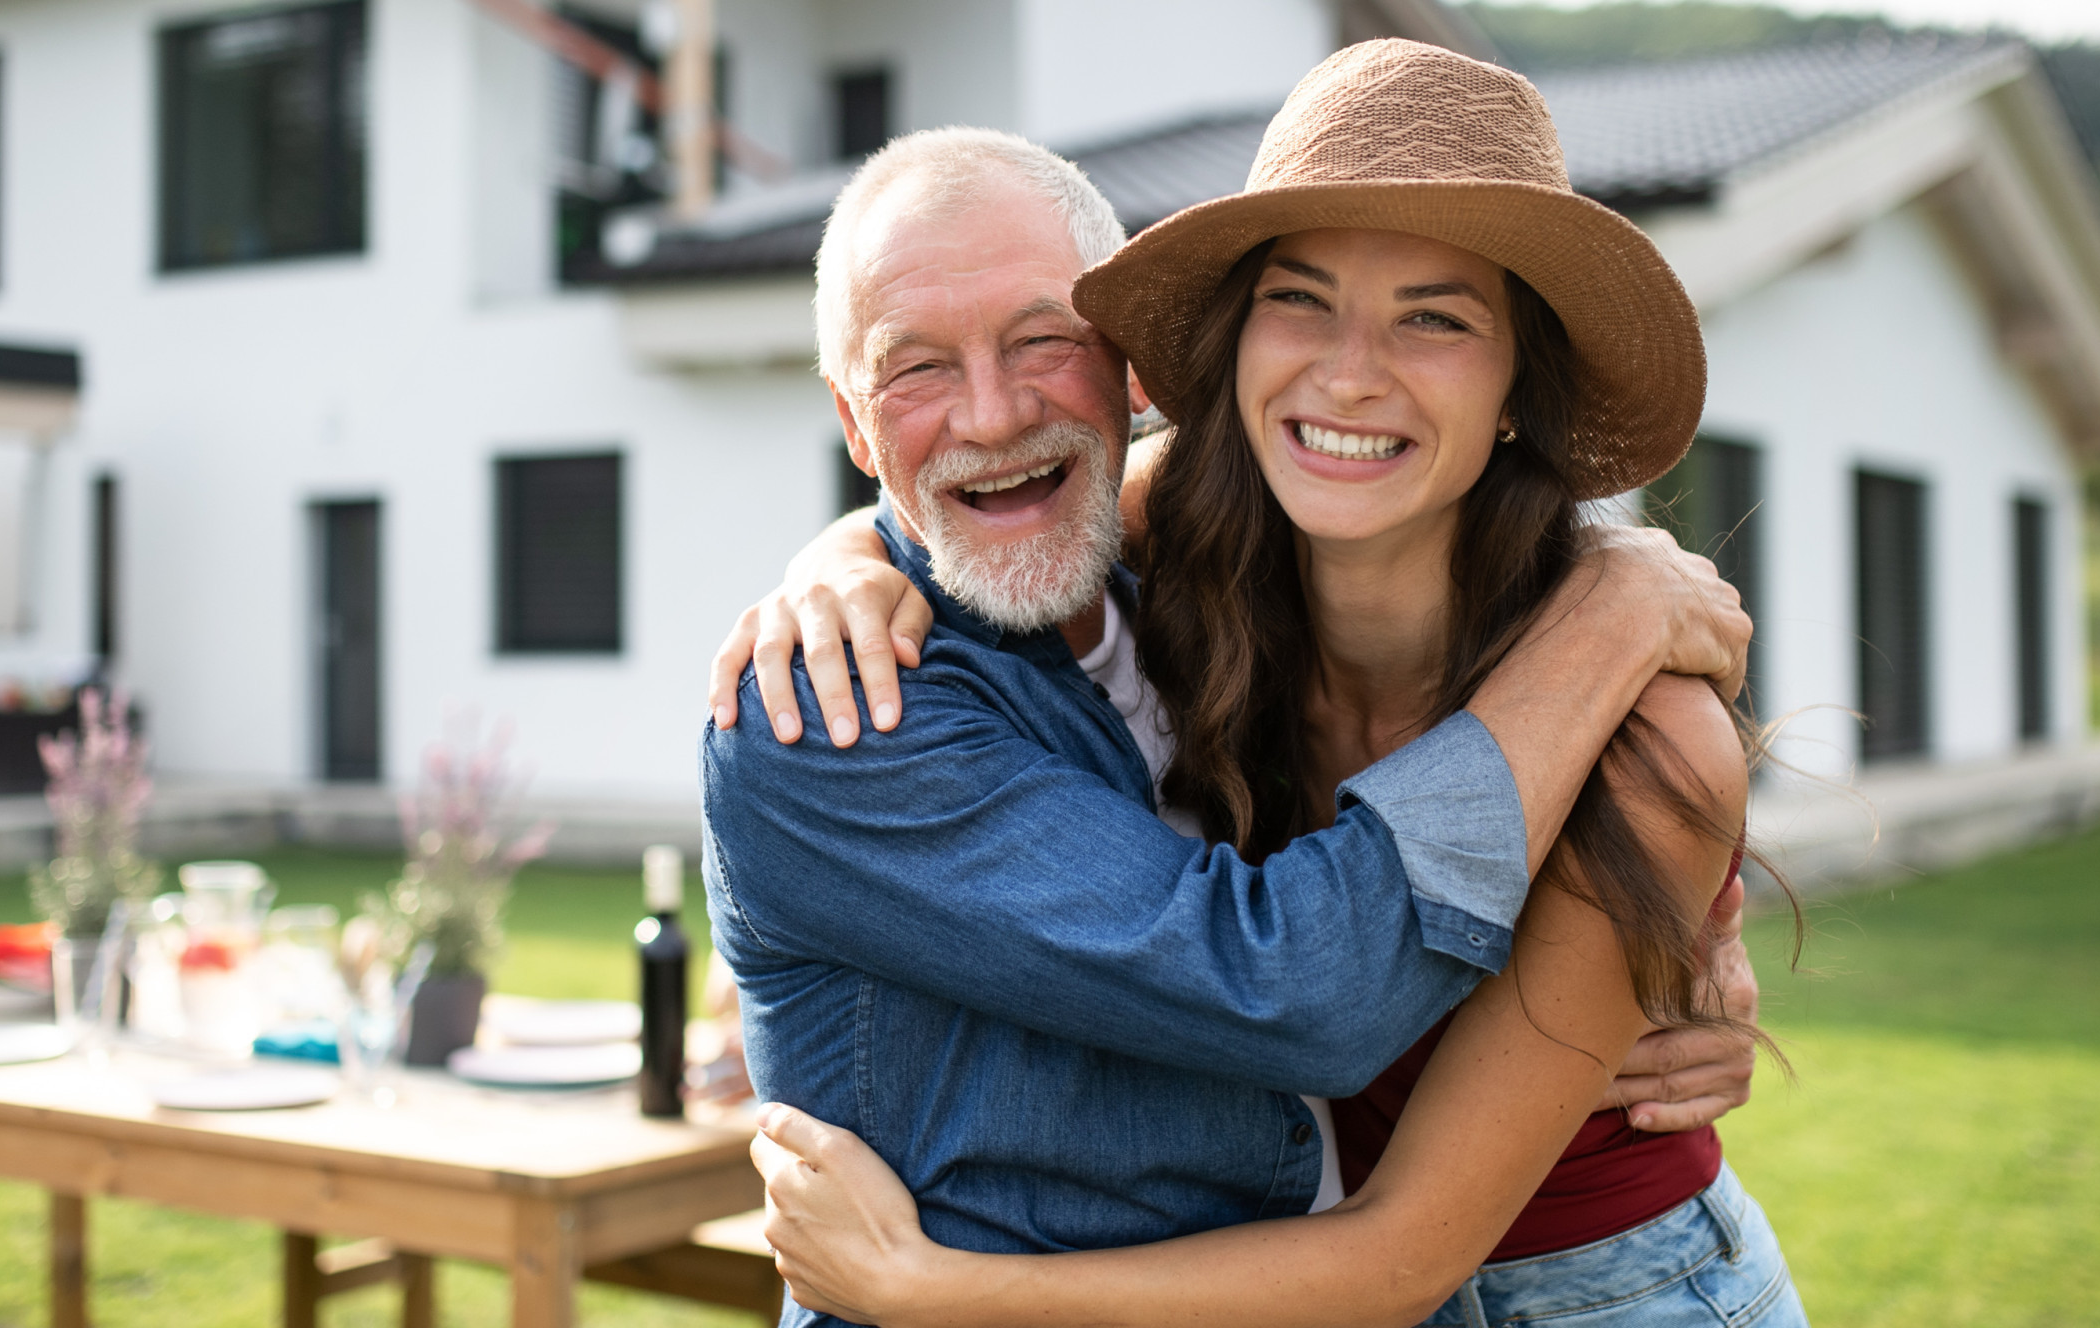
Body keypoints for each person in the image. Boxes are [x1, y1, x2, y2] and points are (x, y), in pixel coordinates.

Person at [722, 42, 1805, 1328]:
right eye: (1300, 301)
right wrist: (839, 551)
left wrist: (932, 1289)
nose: (1350, 373)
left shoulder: (1642, 731)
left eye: (1437, 315)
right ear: (1232, 351)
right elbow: (982, 504)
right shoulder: (1197, 568)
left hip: (1609, 1294)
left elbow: (1393, 1242)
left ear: (1520, 385)